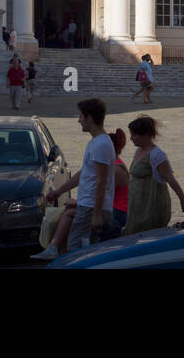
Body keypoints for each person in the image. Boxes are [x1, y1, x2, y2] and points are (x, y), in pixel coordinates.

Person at [44, 98, 115, 253]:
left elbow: (102, 182)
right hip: (87, 206)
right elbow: (85, 174)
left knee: (77, 250)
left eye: (81, 117)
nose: (78, 121)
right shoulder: (96, 142)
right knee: (80, 249)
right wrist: (59, 191)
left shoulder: (101, 144)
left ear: (89, 117)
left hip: (91, 208)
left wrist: (96, 215)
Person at [124, 116, 184, 235]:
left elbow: (170, 179)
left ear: (145, 135)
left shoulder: (156, 155)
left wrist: (183, 199)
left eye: (134, 135)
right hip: (137, 204)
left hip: (151, 205)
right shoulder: (138, 151)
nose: (131, 138)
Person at [109, 129, 131, 235]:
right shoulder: (115, 164)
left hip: (118, 213)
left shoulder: (116, 170)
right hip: (116, 209)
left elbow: (104, 195)